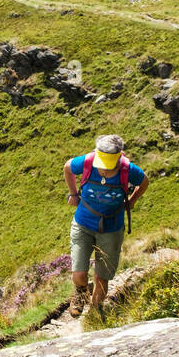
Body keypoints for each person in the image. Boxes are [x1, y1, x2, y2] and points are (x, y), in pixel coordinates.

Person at [61, 134, 148, 316]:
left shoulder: (127, 170)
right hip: (83, 224)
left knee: (102, 277)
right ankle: (81, 292)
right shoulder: (87, 162)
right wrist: (73, 194)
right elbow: (68, 167)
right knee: (79, 274)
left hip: (112, 228)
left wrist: (132, 201)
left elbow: (144, 181)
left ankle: (95, 311)